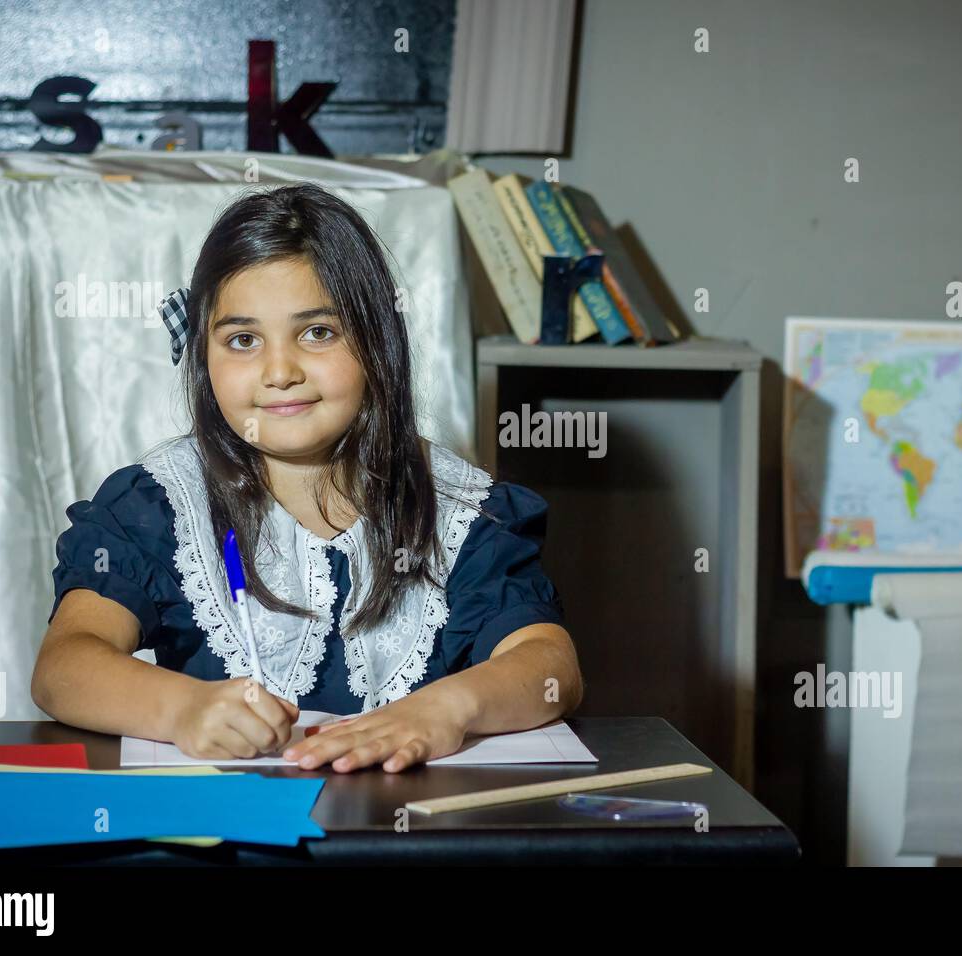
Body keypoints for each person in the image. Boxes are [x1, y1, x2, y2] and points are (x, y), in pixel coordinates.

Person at [31, 182, 583, 773]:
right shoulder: (160, 504)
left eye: (317, 333)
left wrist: (447, 708)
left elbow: (550, 665)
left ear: (377, 342)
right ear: (202, 356)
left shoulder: (463, 510)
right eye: (243, 340)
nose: (279, 371)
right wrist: (180, 709)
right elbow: (64, 666)